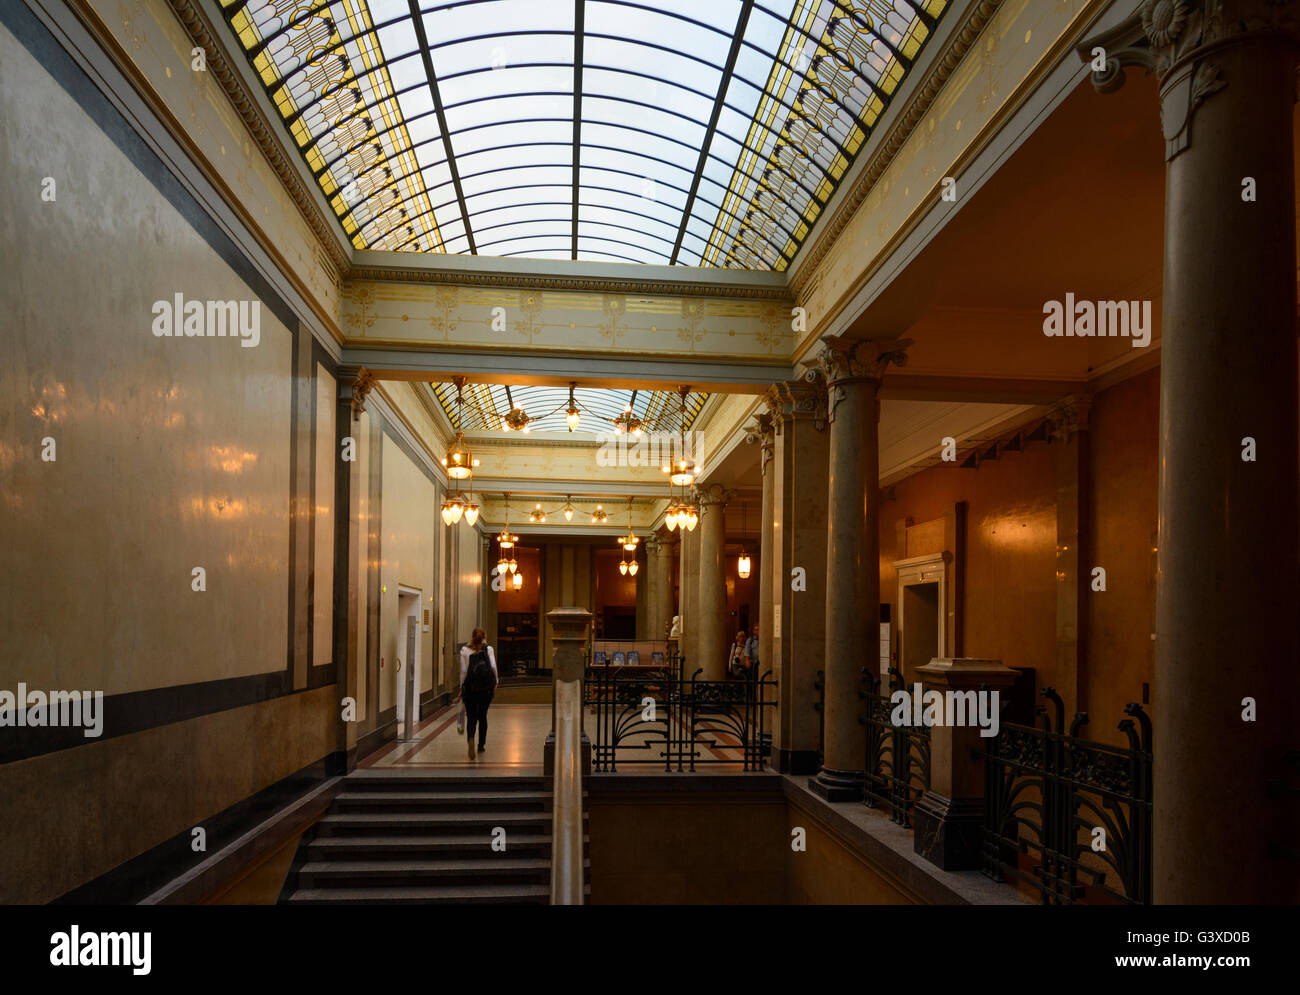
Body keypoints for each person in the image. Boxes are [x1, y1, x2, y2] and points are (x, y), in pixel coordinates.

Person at [458, 627, 498, 760]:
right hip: (485, 690)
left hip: (470, 689)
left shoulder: (464, 650)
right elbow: (492, 666)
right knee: (483, 716)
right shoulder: (488, 649)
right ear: (484, 636)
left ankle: (470, 739)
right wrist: (495, 682)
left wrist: (461, 687)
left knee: (471, 718)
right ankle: (481, 745)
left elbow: (463, 672)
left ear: (472, 636)